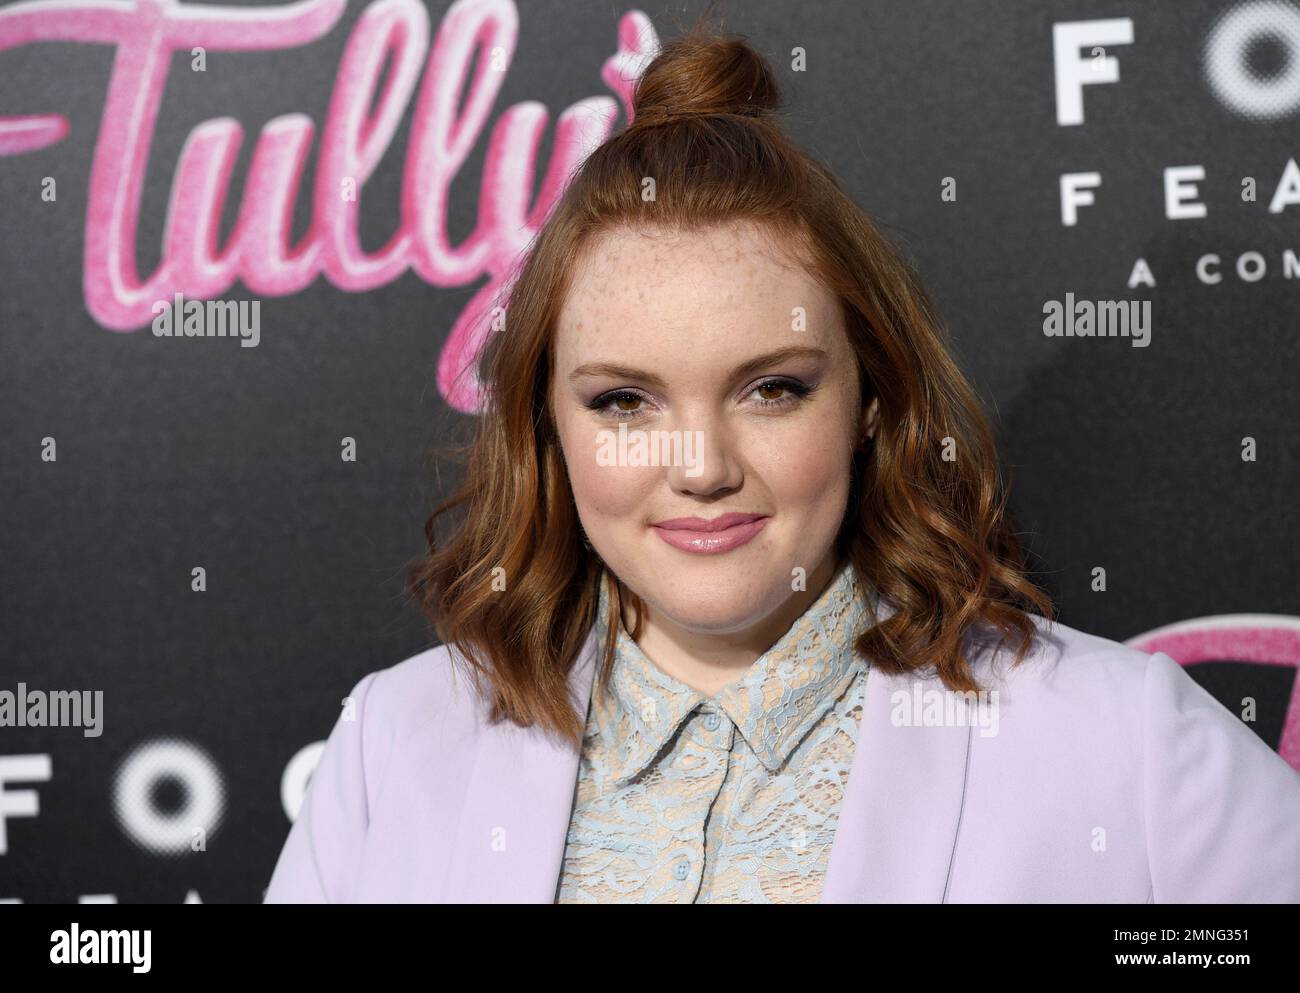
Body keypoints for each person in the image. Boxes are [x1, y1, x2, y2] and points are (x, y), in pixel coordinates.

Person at [264, 18, 1300, 904]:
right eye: (623, 401)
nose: (702, 466)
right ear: (547, 425)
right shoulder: (391, 746)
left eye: (772, 389)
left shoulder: (1122, 743)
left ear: (870, 399)